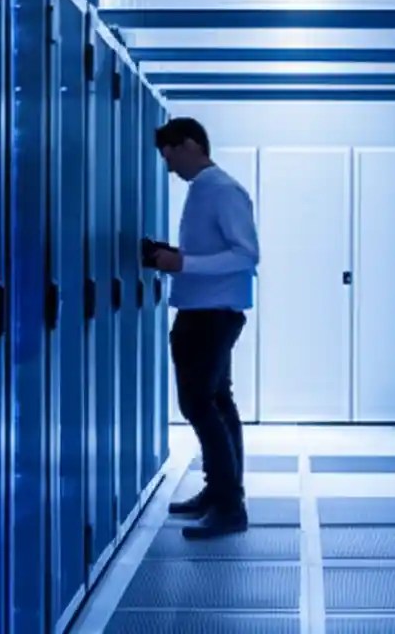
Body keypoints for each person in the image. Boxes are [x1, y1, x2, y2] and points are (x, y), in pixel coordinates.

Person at [151, 117, 259, 539]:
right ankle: (220, 493)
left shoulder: (222, 190)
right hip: (203, 309)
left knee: (199, 405)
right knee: (216, 403)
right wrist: (175, 256)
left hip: (212, 314)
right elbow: (215, 251)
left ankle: (229, 506)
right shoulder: (203, 190)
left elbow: (247, 254)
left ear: (192, 144)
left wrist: (184, 264)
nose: (168, 164)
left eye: (170, 153)